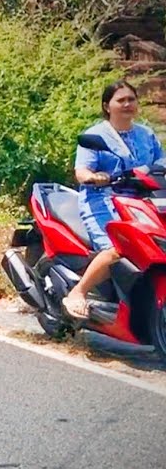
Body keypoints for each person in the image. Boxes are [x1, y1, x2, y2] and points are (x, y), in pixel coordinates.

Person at [63, 80, 164, 318]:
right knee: (119, 248)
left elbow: (162, 162)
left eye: (131, 99)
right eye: (121, 100)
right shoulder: (95, 136)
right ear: (107, 106)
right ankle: (78, 292)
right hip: (103, 200)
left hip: (143, 201)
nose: (127, 104)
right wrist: (94, 177)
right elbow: (82, 170)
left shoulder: (146, 134)